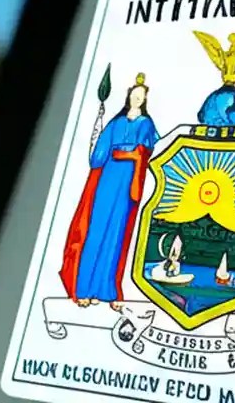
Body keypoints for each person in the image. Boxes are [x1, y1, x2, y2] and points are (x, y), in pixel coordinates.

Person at [60, 73, 160, 310]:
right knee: (97, 229)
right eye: (134, 95)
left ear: (144, 99)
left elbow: (148, 148)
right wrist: (97, 134)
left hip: (128, 179)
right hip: (109, 177)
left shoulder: (146, 124)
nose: (136, 99)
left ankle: (106, 289)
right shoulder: (115, 123)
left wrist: (132, 153)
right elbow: (97, 158)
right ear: (128, 97)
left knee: (117, 234)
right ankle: (83, 289)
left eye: (141, 96)